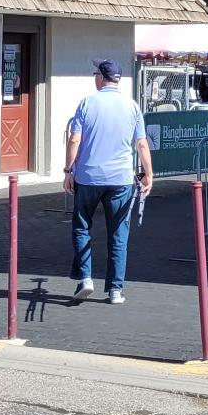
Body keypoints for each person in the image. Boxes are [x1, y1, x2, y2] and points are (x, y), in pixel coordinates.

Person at [64, 58, 153, 305]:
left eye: (95, 73)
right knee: (118, 234)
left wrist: (68, 170)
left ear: (102, 78)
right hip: (121, 179)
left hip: (88, 177)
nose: (94, 77)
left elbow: (74, 140)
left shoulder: (87, 103)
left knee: (82, 226)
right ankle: (115, 290)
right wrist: (149, 173)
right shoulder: (133, 106)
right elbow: (142, 144)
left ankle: (86, 278)